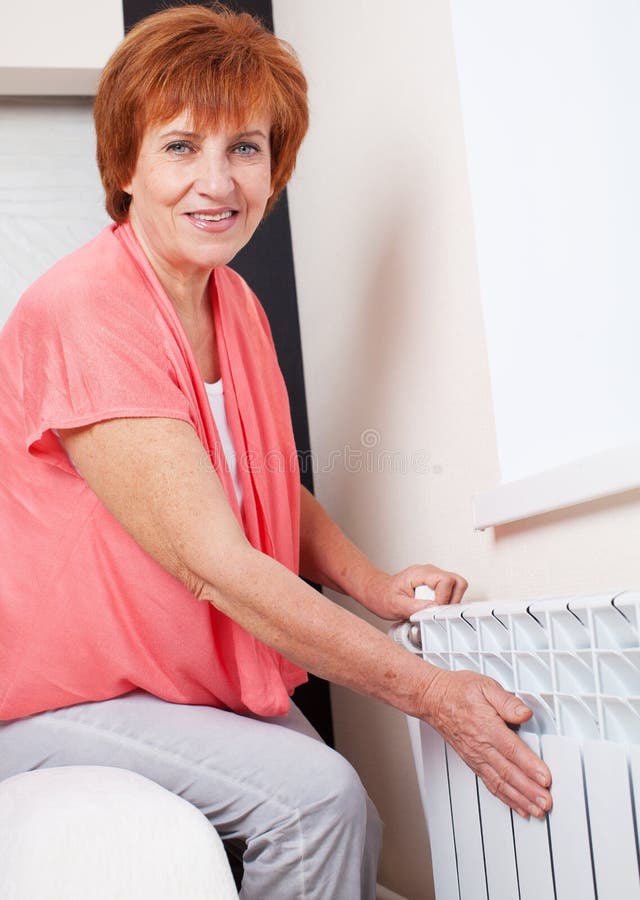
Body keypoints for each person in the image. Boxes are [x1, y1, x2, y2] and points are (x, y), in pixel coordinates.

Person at [0, 4, 551, 898]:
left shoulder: (235, 304)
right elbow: (215, 563)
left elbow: (264, 488)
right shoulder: (86, 311)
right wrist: (431, 691)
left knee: (351, 816)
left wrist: (370, 584)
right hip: (61, 696)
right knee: (316, 801)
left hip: (174, 685)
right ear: (125, 164)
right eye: (181, 147)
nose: (216, 182)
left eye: (244, 149)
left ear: (274, 166)